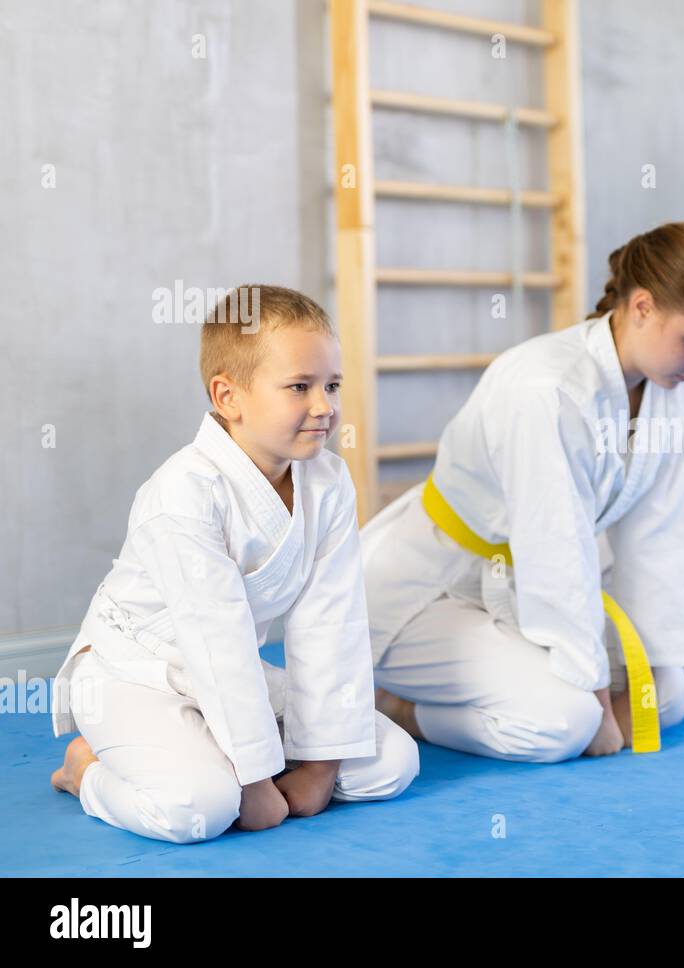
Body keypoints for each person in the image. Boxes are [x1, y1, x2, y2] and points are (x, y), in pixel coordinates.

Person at [363, 222, 684, 760]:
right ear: (642, 306)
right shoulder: (548, 389)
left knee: (665, 698)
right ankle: (399, 710)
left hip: (516, 590)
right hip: (432, 590)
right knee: (566, 721)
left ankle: (546, 691)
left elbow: (656, 540)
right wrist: (596, 698)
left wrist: (654, 667)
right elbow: (556, 547)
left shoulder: (670, 389)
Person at [50, 285, 419, 844]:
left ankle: (223, 752)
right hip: (135, 674)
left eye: (331, 385)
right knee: (200, 808)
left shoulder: (328, 482)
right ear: (229, 397)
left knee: (391, 762)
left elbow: (330, 624)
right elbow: (213, 636)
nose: (325, 406)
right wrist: (253, 782)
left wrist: (319, 770)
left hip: (227, 677)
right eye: (300, 386)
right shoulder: (184, 492)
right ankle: (86, 771)